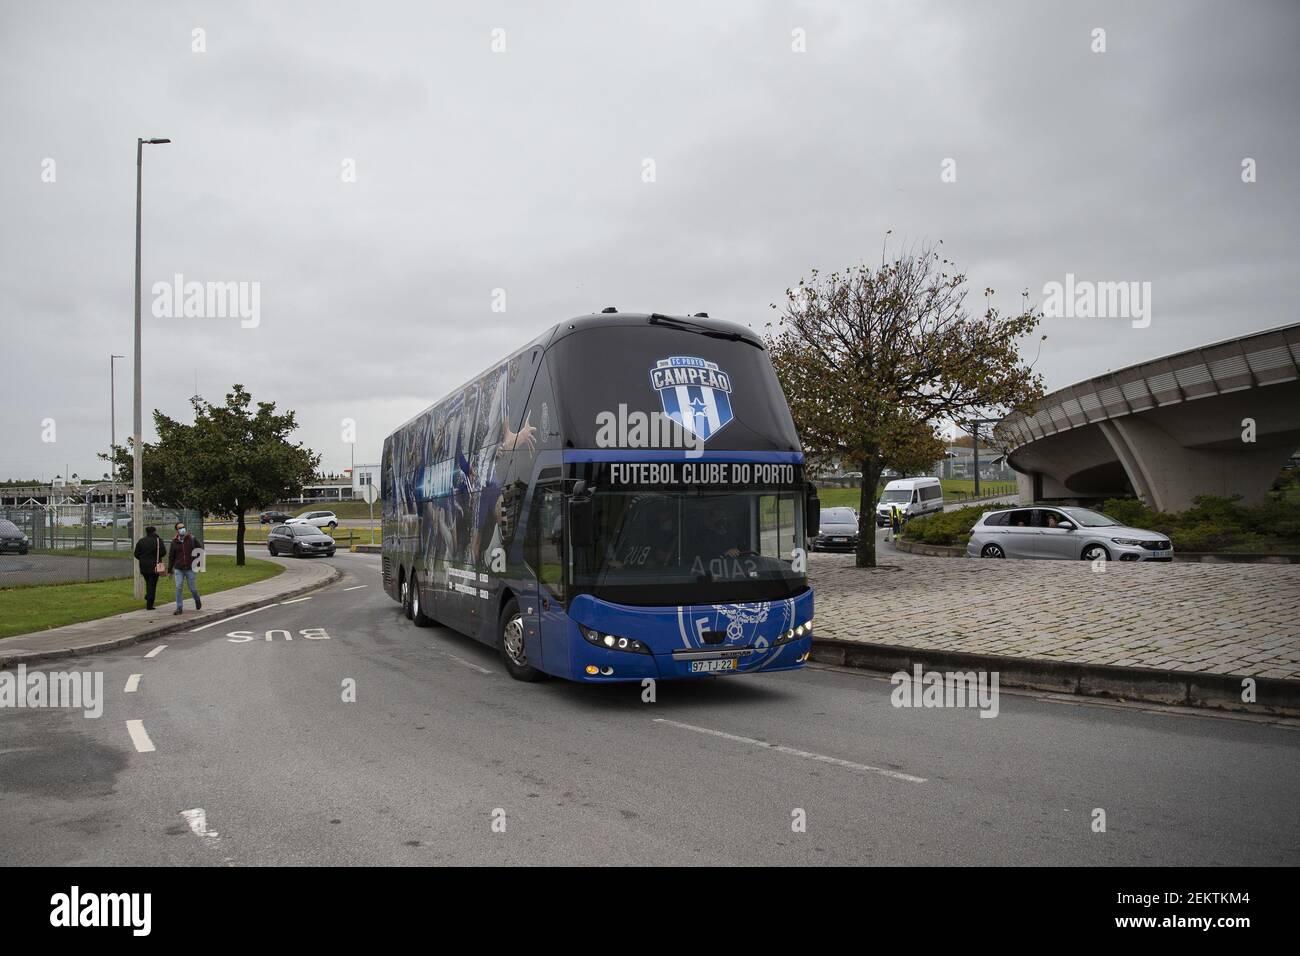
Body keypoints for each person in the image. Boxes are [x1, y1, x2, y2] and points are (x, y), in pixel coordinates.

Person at [168, 521, 203, 615]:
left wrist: (199, 564)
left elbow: (200, 550)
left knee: (192, 588)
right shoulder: (174, 542)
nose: (182, 529)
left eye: (183, 527)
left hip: (190, 568)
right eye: (179, 528)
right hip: (179, 568)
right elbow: (171, 556)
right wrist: (169, 570)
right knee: (178, 587)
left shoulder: (191, 538)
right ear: (177, 530)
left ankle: (197, 599)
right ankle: (179, 608)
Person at [132, 525, 166, 610]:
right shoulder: (158, 541)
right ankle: (149, 604)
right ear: (154, 531)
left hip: (144, 566)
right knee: (152, 585)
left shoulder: (141, 541)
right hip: (155, 566)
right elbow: (163, 552)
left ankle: (148, 596)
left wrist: (143, 559)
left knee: (148, 582)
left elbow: (136, 554)